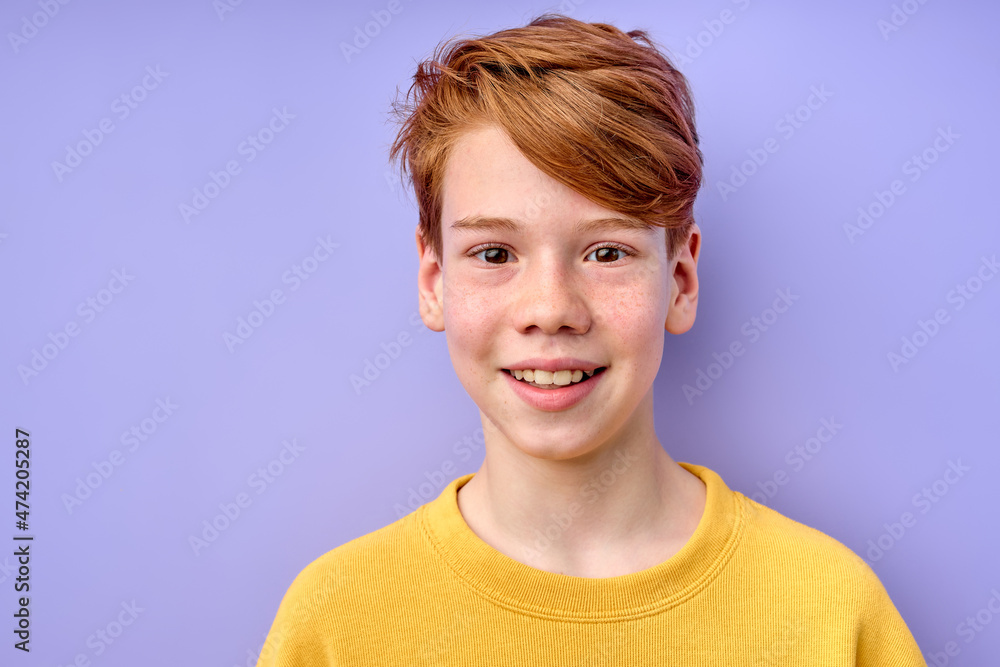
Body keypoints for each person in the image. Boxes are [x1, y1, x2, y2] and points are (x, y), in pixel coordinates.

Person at [256, 13, 925, 665]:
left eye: (607, 252)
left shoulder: (831, 610)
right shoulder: (335, 623)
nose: (551, 310)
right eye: (494, 254)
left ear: (681, 280)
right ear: (434, 282)